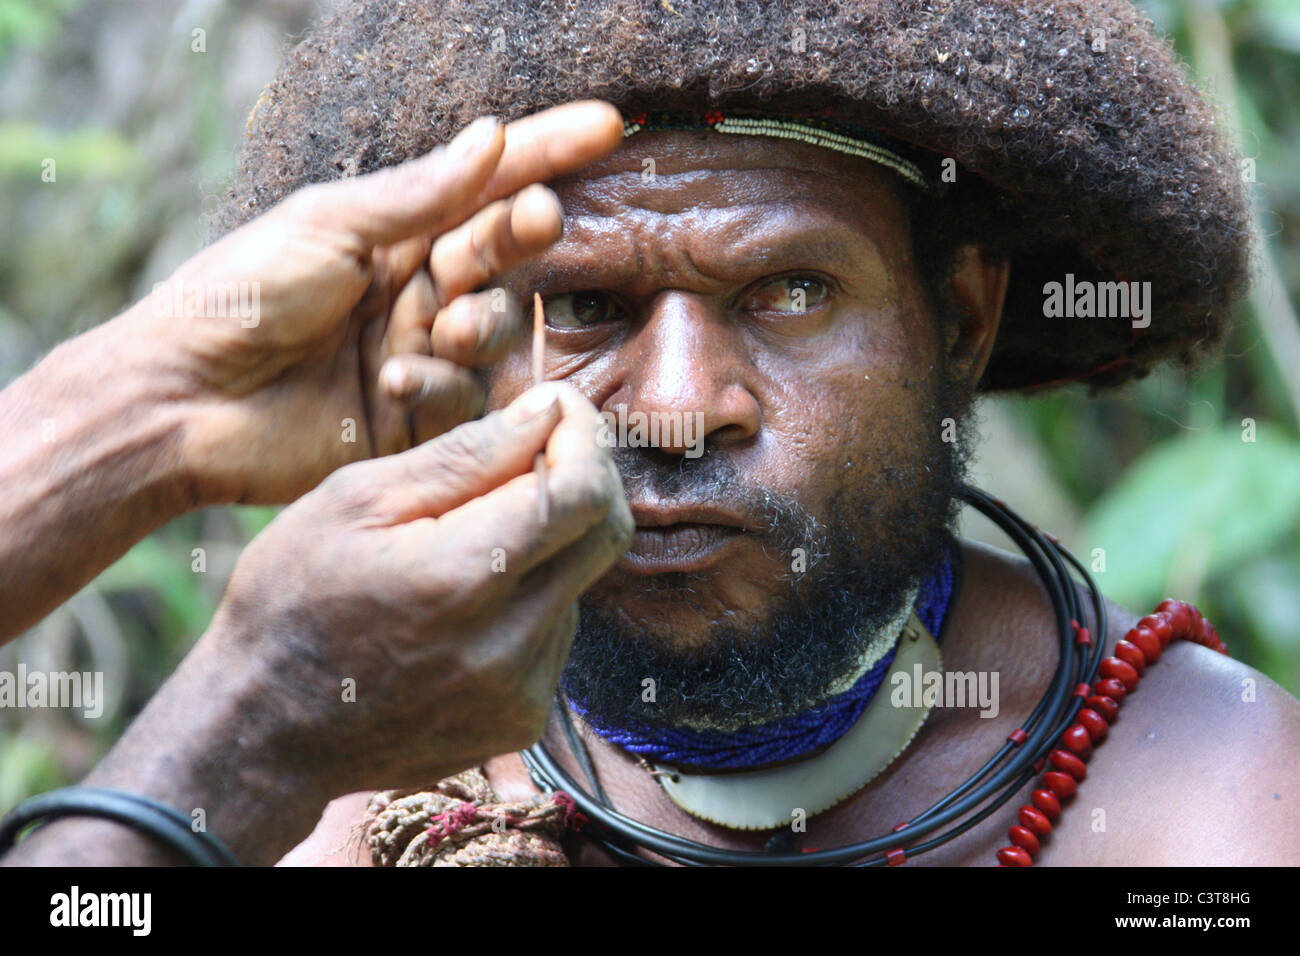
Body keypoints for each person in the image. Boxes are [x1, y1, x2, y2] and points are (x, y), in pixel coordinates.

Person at [5, 0, 1300, 867]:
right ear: (471, 335)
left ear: (958, 319)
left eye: (788, 292)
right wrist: (260, 731)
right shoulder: (391, 772)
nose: (679, 404)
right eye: (583, 304)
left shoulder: (1198, 804)